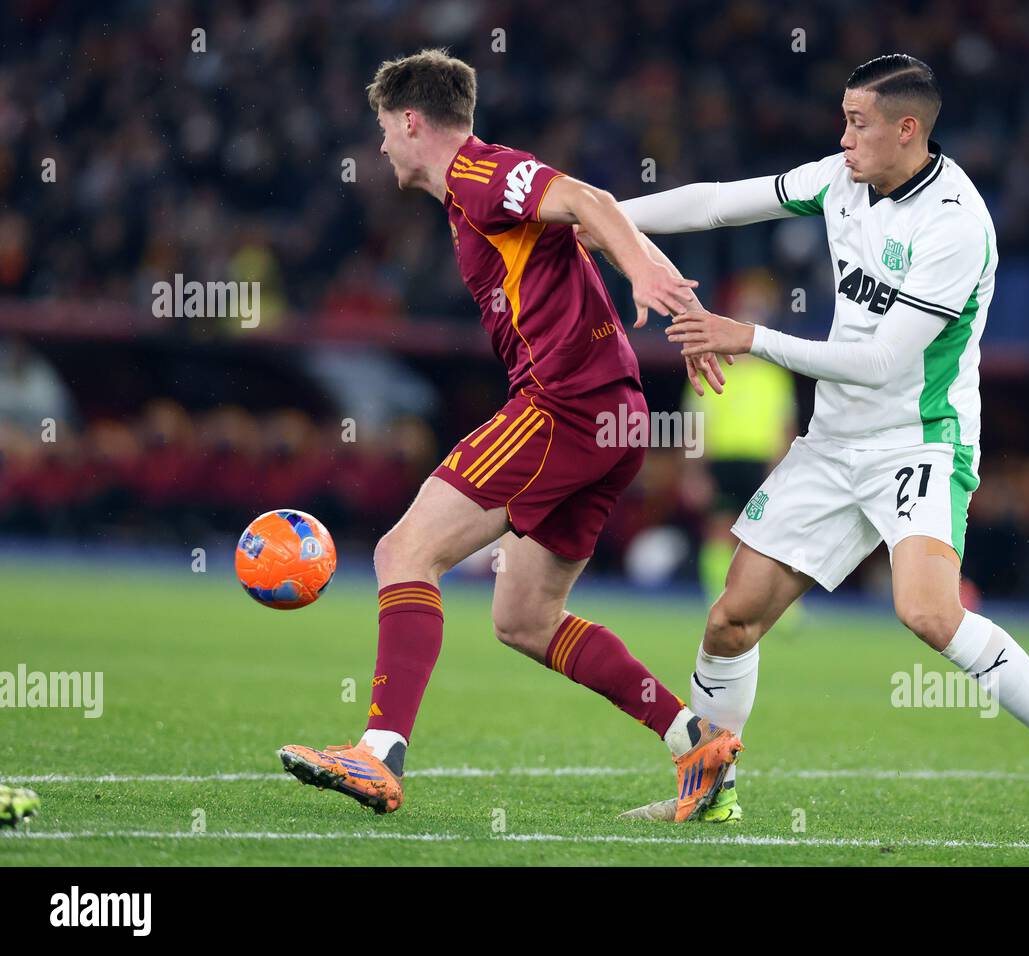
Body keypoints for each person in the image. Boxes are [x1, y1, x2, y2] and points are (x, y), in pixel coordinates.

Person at [605, 54, 1029, 843]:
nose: (842, 137)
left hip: (920, 438)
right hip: (835, 440)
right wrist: (601, 214)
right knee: (730, 622)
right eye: (843, 120)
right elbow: (718, 204)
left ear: (906, 129)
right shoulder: (841, 180)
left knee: (926, 611)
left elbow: (886, 361)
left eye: (857, 122)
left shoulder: (955, 223)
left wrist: (751, 337)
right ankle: (711, 788)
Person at [278, 49, 739, 821]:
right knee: (524, 619)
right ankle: (695, 741)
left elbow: (593, 199)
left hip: (565, 405)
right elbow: (598, 218)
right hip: (614, 417)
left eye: (384, 129)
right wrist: (685, 313)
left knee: (402, 552)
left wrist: (645, 280)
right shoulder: (478, 197)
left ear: (411, 120)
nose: (382, 146)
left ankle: (379, 754)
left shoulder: (479, 175)